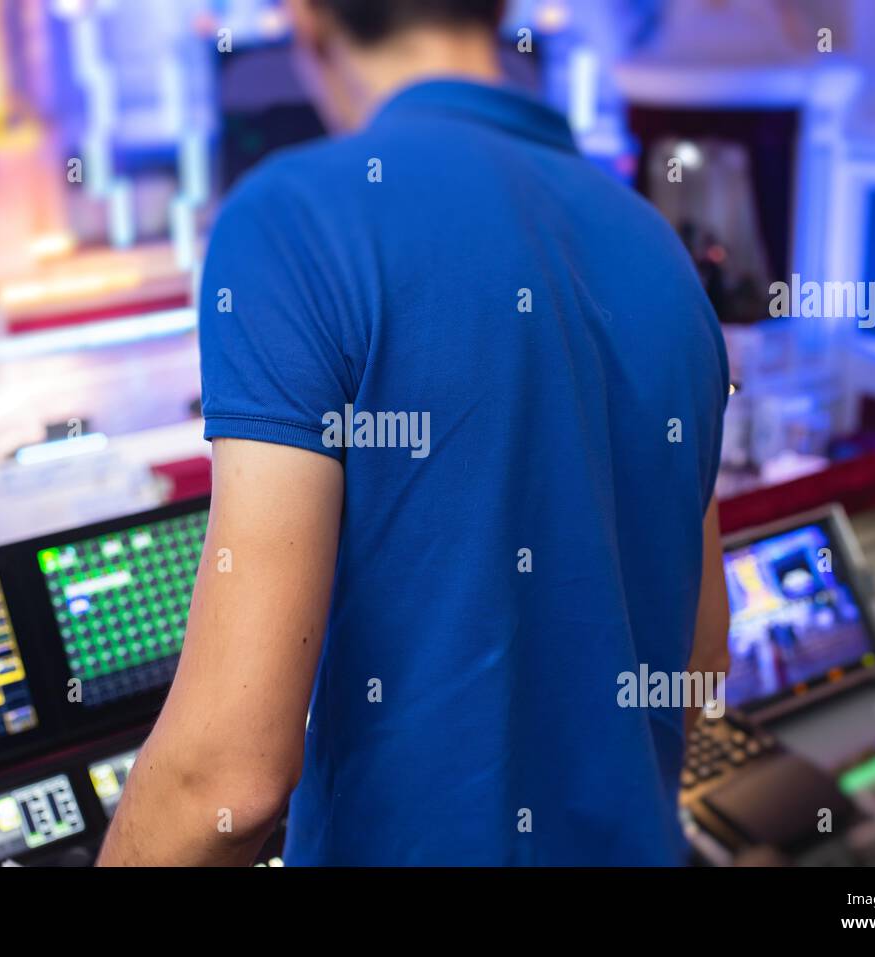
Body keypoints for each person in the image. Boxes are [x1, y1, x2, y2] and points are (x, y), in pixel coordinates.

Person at [98, 0, 730, 866]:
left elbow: (227, 780)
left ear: (310, 24)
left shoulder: (293, 220)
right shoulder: (655, 245)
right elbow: (700, 664)